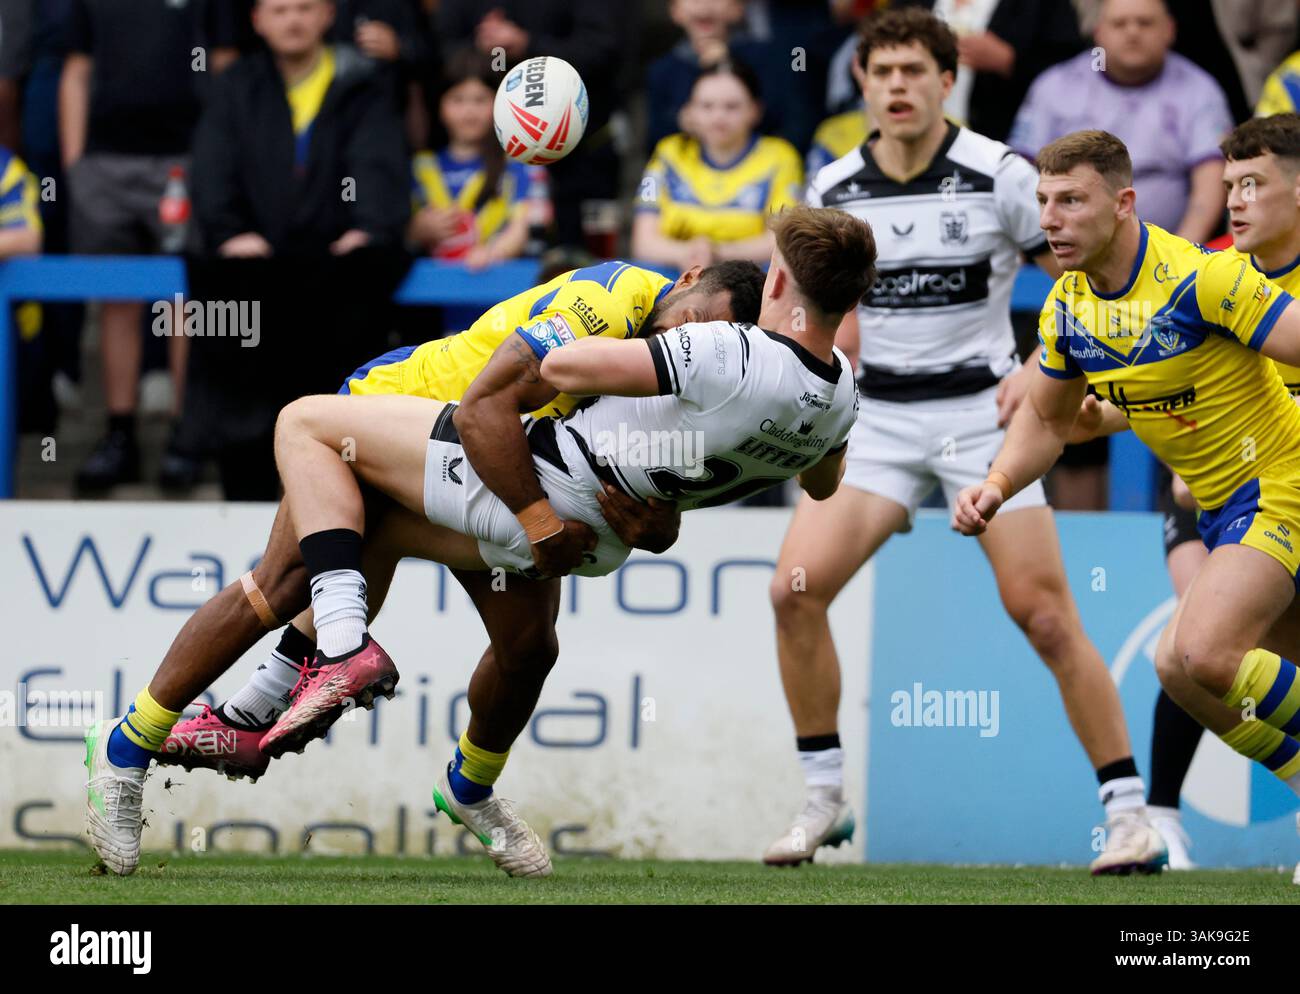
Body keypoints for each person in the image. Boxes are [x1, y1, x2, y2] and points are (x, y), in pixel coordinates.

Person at [84, 206, 872, 879]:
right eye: (696, 319)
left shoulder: (711, 364)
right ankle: (131, 748)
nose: (691, 336)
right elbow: (484, 410)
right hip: (416, 413)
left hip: (509, 462)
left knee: (530, 648)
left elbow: (674, 461)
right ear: (689, 275)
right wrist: (540, 525)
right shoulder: (616, 297)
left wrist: (652, 515)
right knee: (282, 583)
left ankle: (459, 783)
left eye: (711, 334)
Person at [764, 8, 1160, 875]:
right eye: (883, 73)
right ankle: (824, 799)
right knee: (793, 592)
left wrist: (1041, 364)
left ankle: (1129, 817)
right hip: (876, 425)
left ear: (950, 81)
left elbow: (1089, 270)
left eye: (916, 71)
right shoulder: (832, 187)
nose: (898, 86)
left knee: (1047, 616)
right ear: (862, 84)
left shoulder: (1001, 174)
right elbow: (795, 309)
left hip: (986, 418)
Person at [952, 130, 1300, 877]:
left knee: (1202, 651)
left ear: (1123, 203)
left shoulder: (1201, 279)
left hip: (1282, 482)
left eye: (1071, 200)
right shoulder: (1068, 308)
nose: (1051, 219)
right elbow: (1046, 420)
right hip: (1220, 505)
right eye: (1044, 202)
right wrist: (997, 484)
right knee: (1179, 671)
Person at [1066, 114, 1300, 868]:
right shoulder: (1205, 270)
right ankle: (1161, 815)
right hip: (1214, 491)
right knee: (1198, 651)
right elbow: (1155, 387)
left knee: (1202, 647)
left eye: (1253, 184)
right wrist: (1092, 415)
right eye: (1227, 184)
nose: (1233, 200)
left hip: (1279, 480)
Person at [183, 0, 411, 500]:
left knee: (346, 367)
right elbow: (212, 168)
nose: (293, 19)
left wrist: (369, 224)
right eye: (279, 9)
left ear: (328, 15)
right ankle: (244, 492)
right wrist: (227, 231)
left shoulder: (364, 82)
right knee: (238, 353)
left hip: (336, 270)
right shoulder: (234, 86)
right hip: (253, 269)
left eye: (305, 7)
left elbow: (379, 162)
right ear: (257, 19)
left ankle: (342, 502)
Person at [60, 0, 238, 492]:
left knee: (186, 300)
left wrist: (216, 154)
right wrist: (76, 161)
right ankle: (120, 434)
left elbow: (224, 68)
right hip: (105, 163)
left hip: (186, 158)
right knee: (117, 299)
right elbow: (76, 70)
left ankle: (186, 436)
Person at [1009, 0, 1230, 245]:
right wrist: (1046, 252)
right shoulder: (1054, 86)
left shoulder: (1199, 89)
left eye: (1145, 23)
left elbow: (1210, 185)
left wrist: (1181, 259)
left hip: (1166, 256)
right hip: (1064, 254)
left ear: (1169, 30)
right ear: (1098, 32)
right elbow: (1022, 174)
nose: (1132, 32)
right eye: (1119, 24)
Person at [633, 60, 802, 270]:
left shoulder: (780, 156)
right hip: (674, 272)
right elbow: (643, 242)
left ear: (755, 110)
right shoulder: (669, 152)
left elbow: (782, 241)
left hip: (749, 277)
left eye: (732, 107)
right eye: (706, 106)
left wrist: (715, 252)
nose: (718, 116)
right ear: (689, 111)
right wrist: (689, 254)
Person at [408, 52, 531, 267]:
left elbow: (522, 227)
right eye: (457, 99)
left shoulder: (516, 164)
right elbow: (398, 229)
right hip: (429, 289)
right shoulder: (420, 166)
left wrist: (494, 252)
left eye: (480, 100)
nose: (469, 111)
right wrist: (418, 231)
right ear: (440, 106)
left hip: (495, 286)